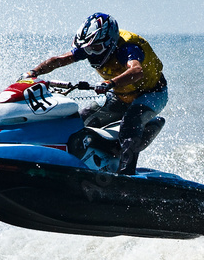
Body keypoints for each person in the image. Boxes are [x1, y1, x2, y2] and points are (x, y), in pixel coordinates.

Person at [25, 13, 167, 175]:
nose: (91, 53)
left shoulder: (128, 47)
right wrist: (33, 73)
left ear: (110, 42)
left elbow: (137, 71)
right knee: (79, 120)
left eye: (96, 48)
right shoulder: (91, 46)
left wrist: (110, 83)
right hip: (120, 95)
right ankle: (77, 161)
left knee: (131, 121)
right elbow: (59, 60)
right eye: (87, 49)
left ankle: (127, 174)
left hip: (152, 93)